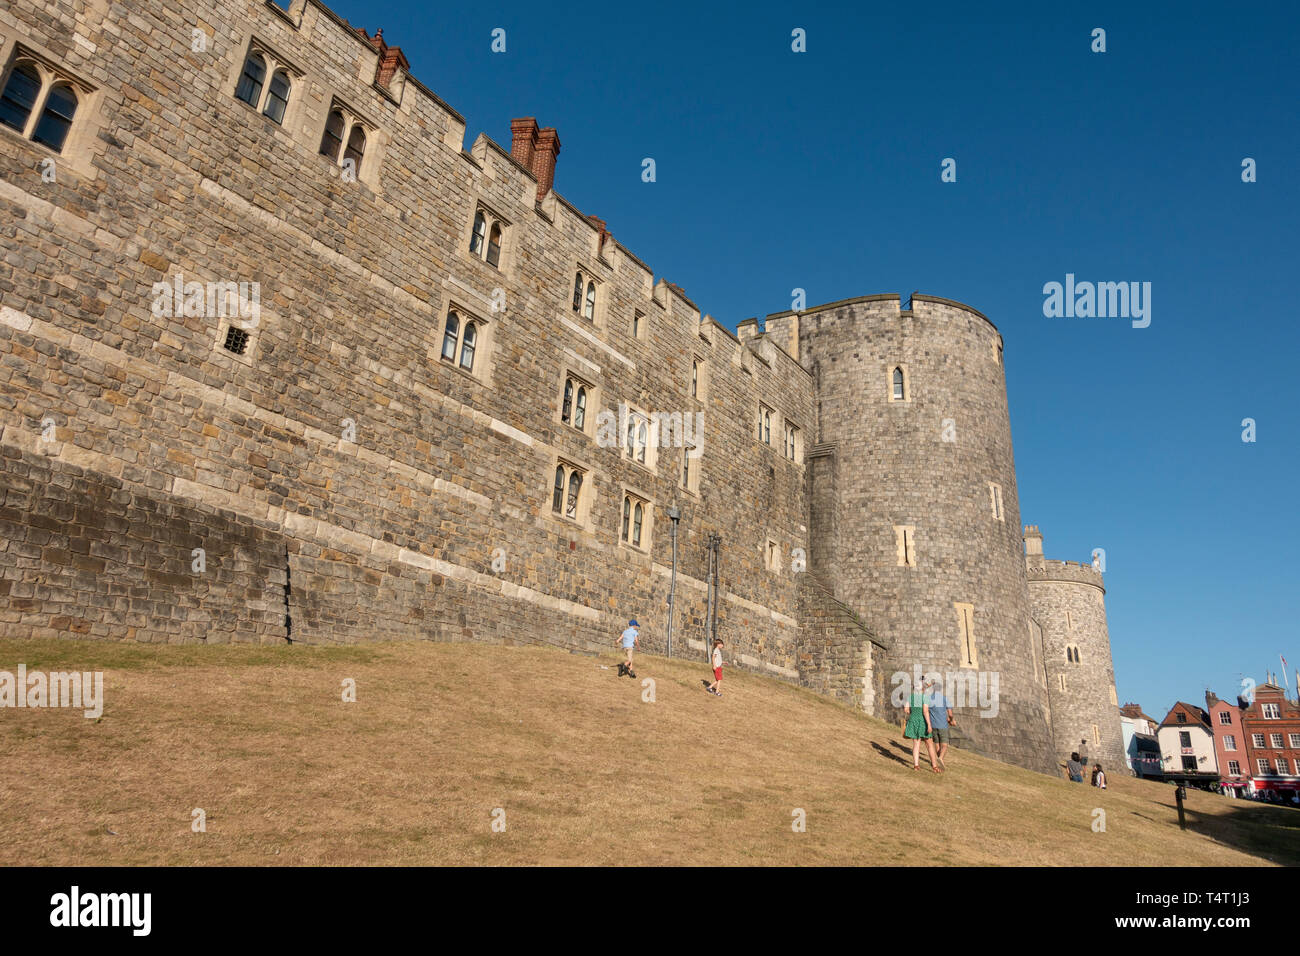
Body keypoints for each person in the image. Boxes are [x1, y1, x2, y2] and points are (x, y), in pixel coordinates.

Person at [904, 678, 941, 773]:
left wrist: (911, 710)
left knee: (916, 744)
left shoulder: (910, 697)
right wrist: (929, 724)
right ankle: (934, 767)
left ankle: (916, 765)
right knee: (929, 745)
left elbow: (906, 710)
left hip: (913, 721)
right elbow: (925, 711)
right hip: (922, 722)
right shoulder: (925, 697)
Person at [926, 681, 954, 769]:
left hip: (933, 725)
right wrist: (951, 720)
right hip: (943, 725)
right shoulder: (944, 699)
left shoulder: (929, 698)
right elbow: (950, 714)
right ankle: (941, 758)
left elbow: (926, 710)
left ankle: (938, 761)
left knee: (937, 744)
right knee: (945, 745)